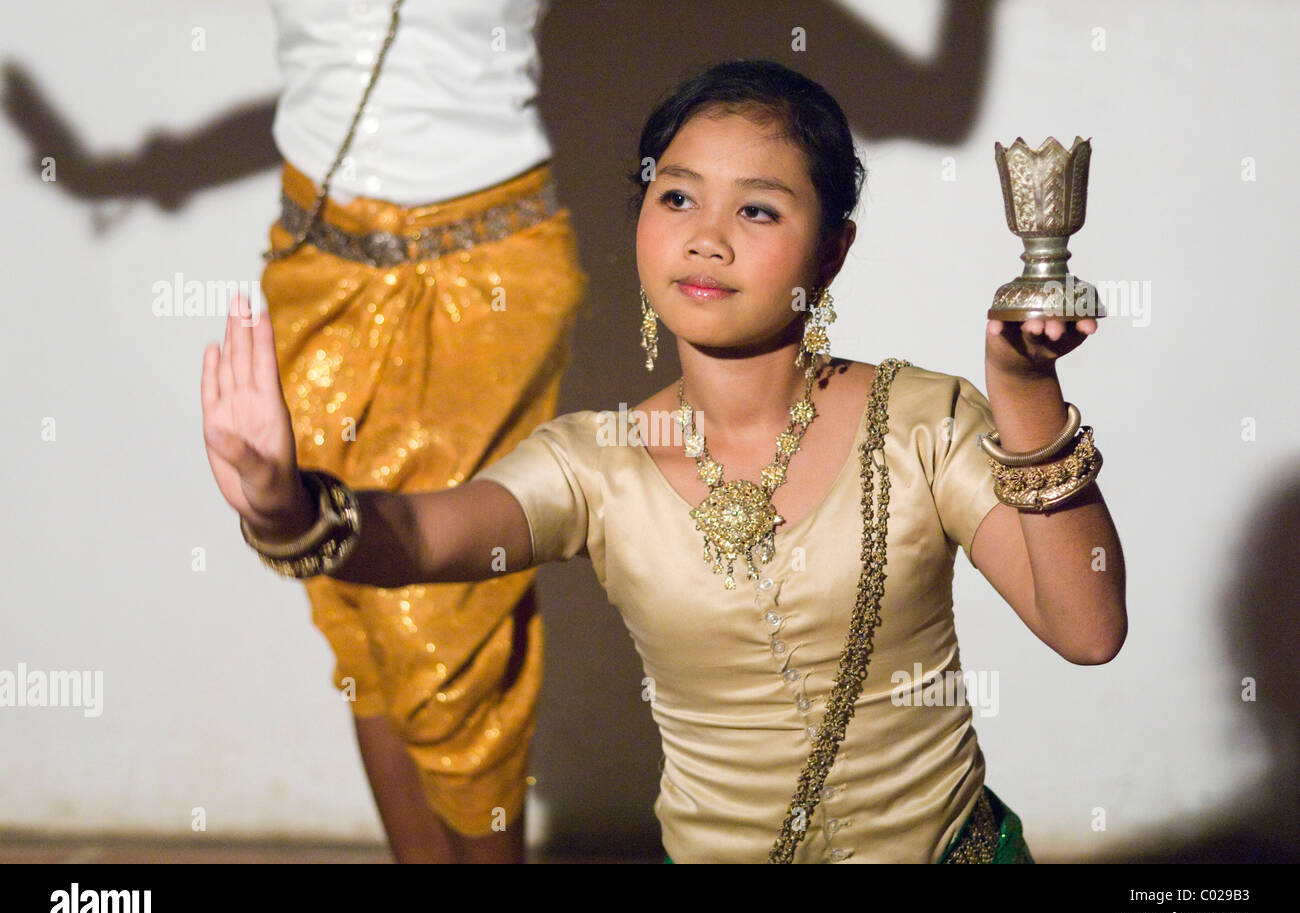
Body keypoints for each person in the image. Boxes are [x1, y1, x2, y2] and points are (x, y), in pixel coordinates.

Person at [203, 59, 1127, 863]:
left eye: (758, 209)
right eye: (677, 196)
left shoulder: (924, 422)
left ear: (833, 250)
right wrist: (286, 509)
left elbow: (1088, 628)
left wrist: (1022, 390)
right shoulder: (595, 464)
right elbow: (419, 536)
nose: (706, 237)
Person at [257, 0, 585, 863]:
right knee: (349, 598)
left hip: (484, 273)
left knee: (444, 637)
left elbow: (934, 95)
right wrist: (147, 165)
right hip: (315, 255)